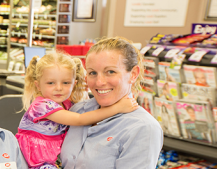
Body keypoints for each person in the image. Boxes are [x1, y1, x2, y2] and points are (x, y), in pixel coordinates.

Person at [17, 52, 137, 169]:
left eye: (66, 83)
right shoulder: (42, 106)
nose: (59, 88)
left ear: (74, 84)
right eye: (50, 83)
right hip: (36, 159)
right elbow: (80, 119)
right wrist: (117, 108)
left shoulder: (67, 104)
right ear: (38, 85)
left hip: (51, 157)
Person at [59, 37, 163, 168]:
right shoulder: (77, 111)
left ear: (133, 74)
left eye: (110, 72)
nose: (99, 82)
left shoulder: (142, 128)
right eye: (92, 73)